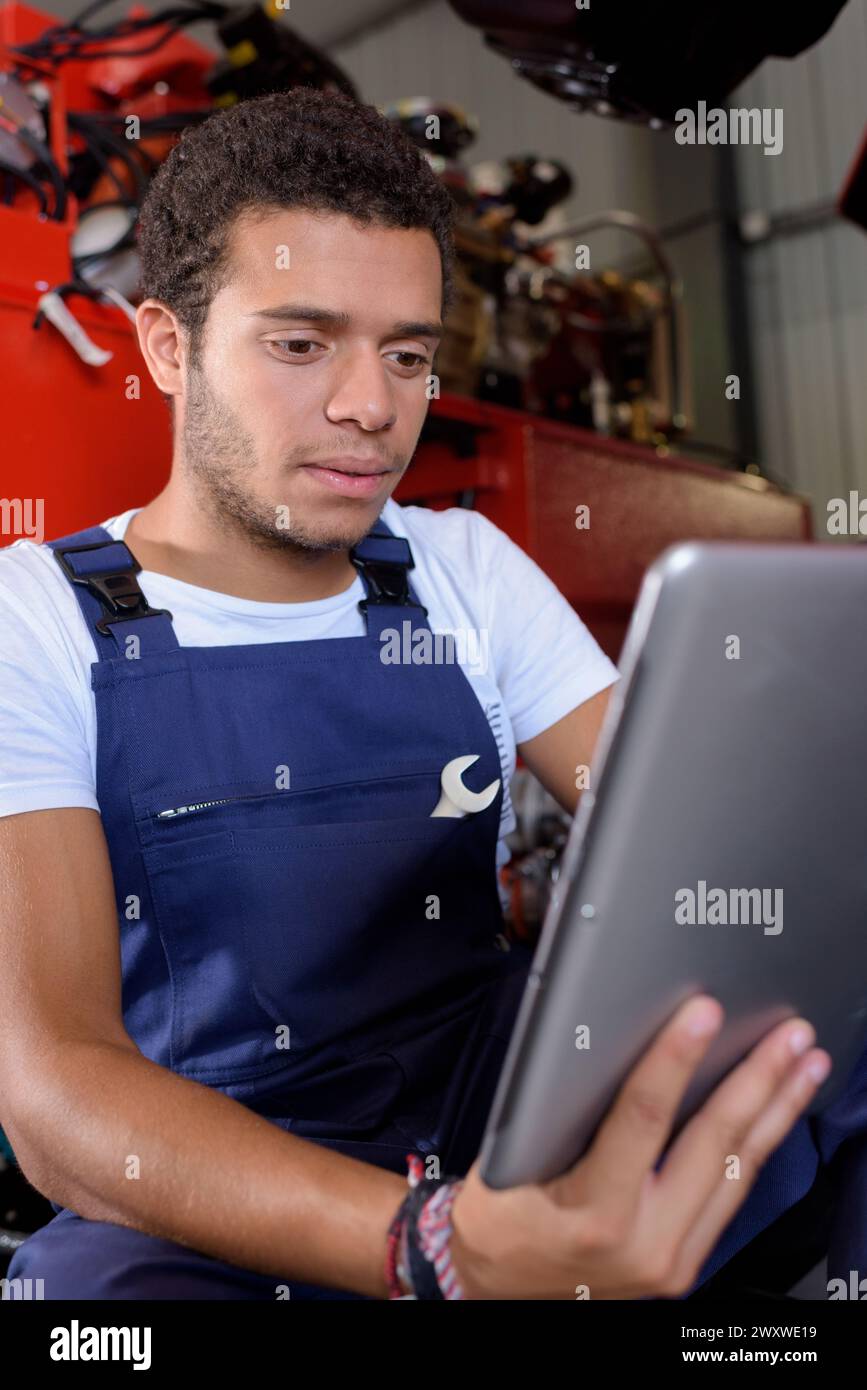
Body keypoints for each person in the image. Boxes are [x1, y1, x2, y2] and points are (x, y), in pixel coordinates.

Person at [0, 88, 840, 1300]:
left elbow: (688, 843)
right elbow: (56, 1088)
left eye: (407, 355)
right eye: (301, 344)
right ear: (167, 347)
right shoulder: (35, 616)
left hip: (493, 1114)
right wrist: (430, 1245)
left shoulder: (459, 570)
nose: (370, 407)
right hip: (207, 1186)